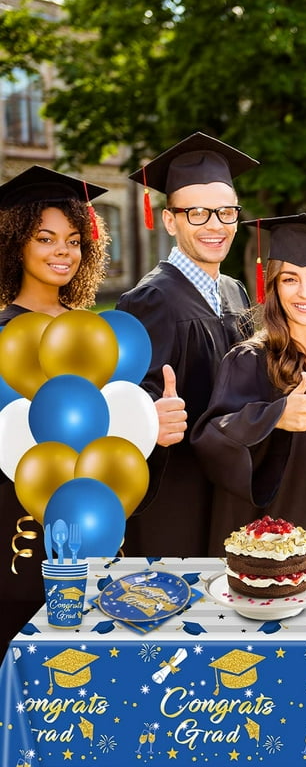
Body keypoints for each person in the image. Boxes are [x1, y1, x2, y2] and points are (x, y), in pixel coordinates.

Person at [191, 214, 306, 556]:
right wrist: (274, 417)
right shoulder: (250, 361)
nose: (305, 292)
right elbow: (211, 439)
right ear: (273, 287)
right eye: (290, 279)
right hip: (273, 555)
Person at [116, 133, 258, 557]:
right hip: (176, 498)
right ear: (169, 220)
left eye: (226, 212)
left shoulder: (234, 291)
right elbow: (124, 394)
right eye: (197, 213)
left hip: (228, 490)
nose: (215, 225)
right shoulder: (150, 299)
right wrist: (147, 415)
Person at [0, 165, 110, 649]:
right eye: (45, 238)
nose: (62, 252)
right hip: (15, 527)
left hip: (96, 521)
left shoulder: (94, 333)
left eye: (73, 239)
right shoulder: (3, 335)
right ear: (15, 243)